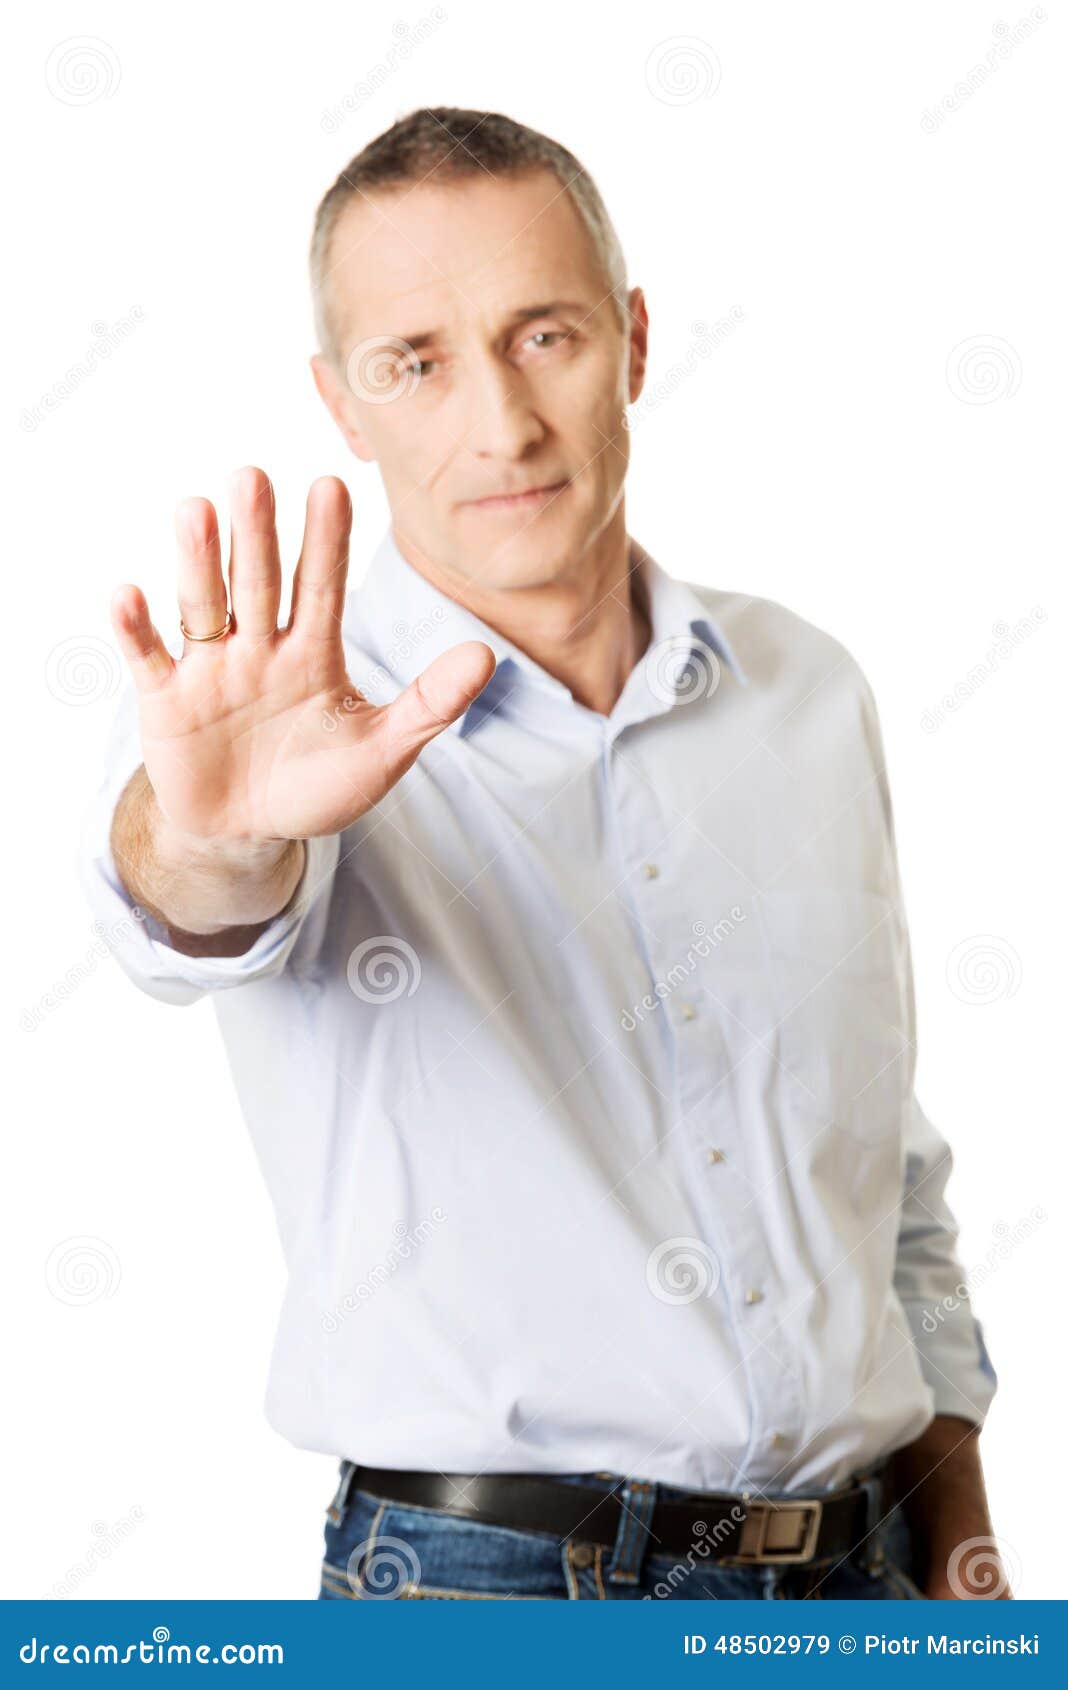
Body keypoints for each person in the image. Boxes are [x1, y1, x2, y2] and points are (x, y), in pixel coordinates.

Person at [80, 107, 1005, 1601]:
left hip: (865, 1577)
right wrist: (201, 833)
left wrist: (962, 1548)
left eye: (545, 336)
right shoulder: (288, 726)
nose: (500, 424)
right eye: (417, 362)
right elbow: (185, 900)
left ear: (634, 342)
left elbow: (884, 1173)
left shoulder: (806, 691)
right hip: (490, 1592)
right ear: (344, 404)